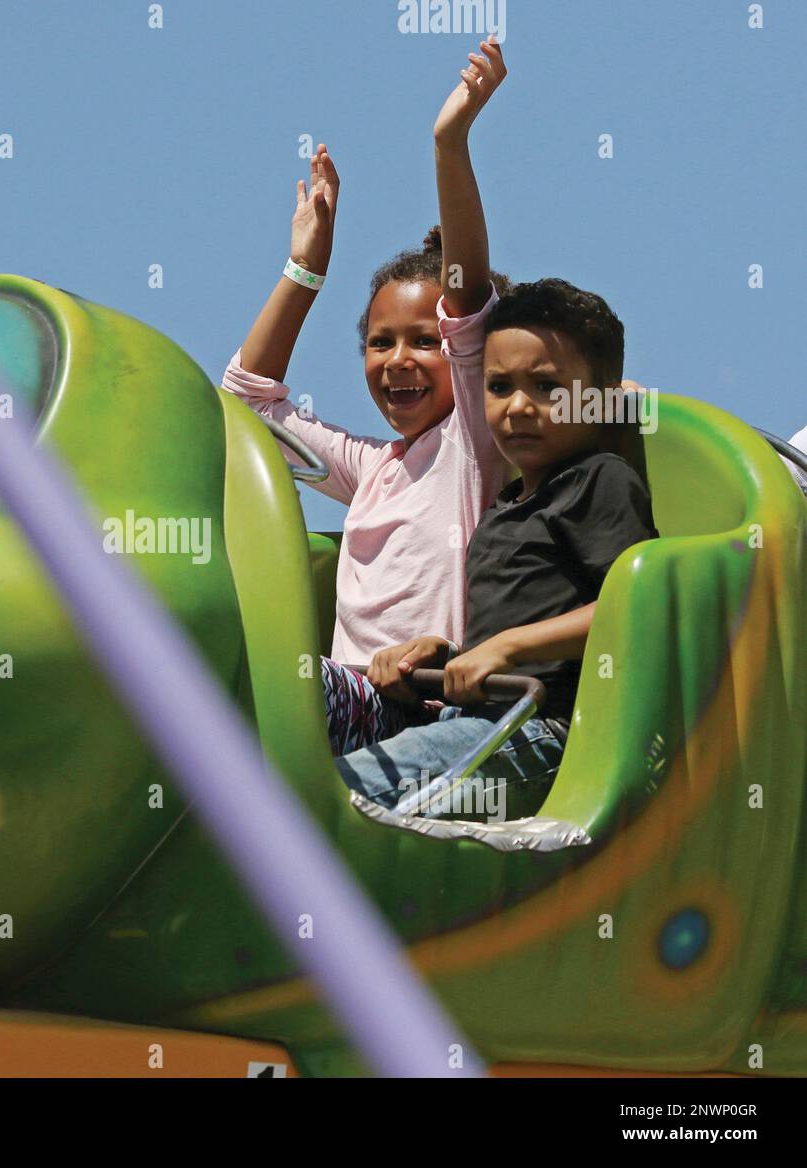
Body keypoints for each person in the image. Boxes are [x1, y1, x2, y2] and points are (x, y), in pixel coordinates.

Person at [222, 37, 512, 754]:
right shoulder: (372, 470)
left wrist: (449, 143)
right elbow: (247, 406)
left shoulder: (472, 445)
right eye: (380, 344)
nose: (398, 361)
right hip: (350, 701)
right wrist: (305, 268)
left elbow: (469, 307)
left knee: (248, 681)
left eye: (424, 341)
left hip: (425, 706)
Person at [336, 278, 659, 821]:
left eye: (548, 388)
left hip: (546, 735)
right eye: (499, 386)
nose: (519, 407)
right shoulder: (506, 506)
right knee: (307, 772)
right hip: (472, 724)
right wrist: (442, 652)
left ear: (599, 398)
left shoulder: (597, 481)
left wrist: (509, 648)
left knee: (349, 790)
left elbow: (636, 608)